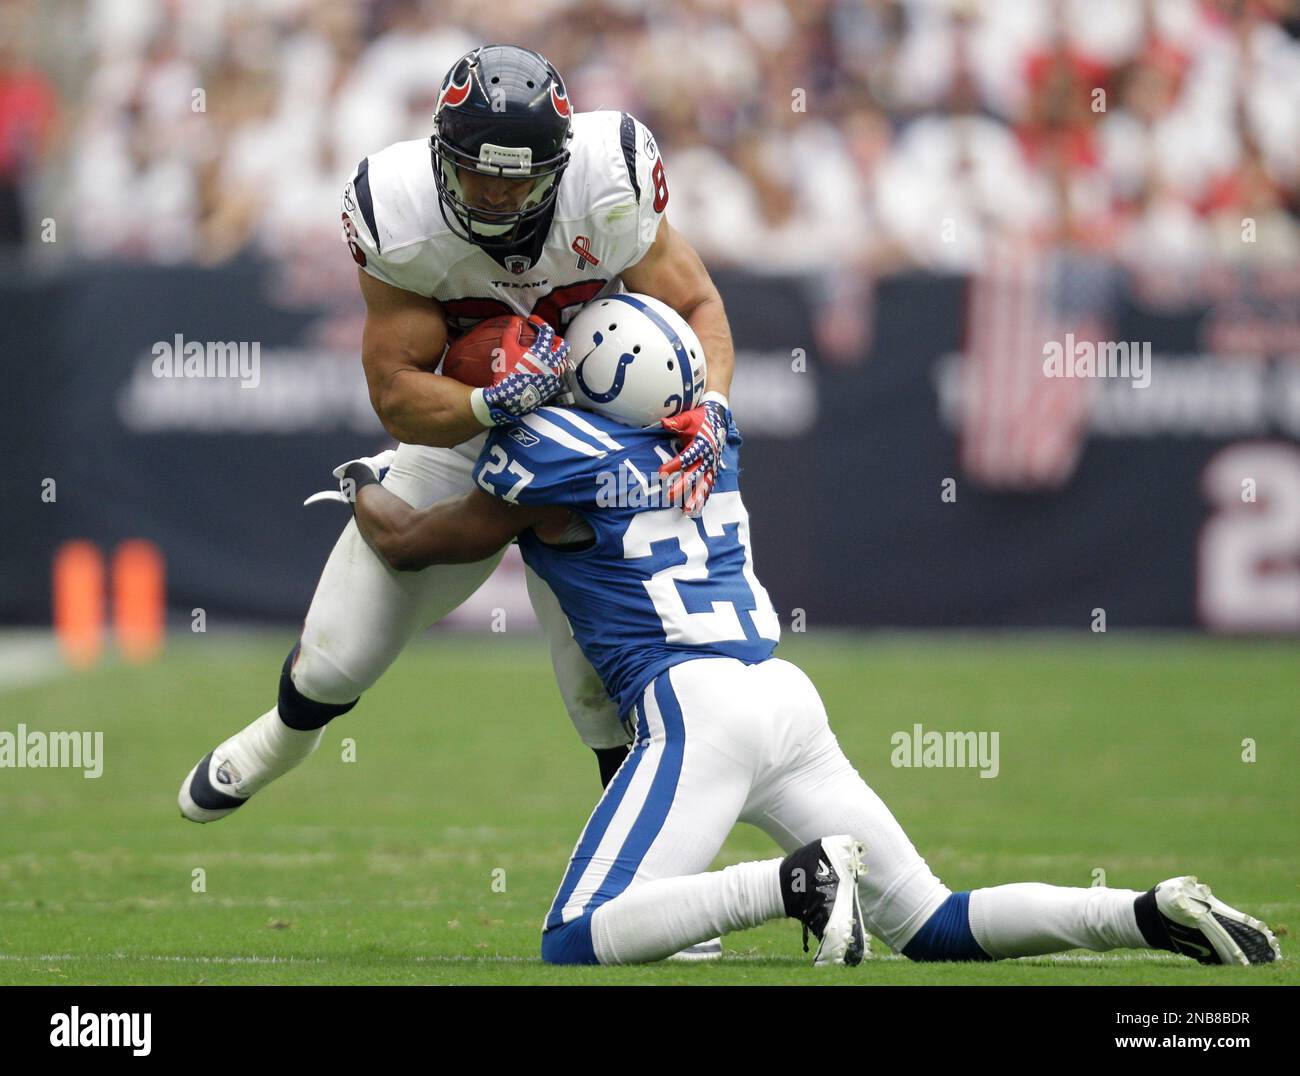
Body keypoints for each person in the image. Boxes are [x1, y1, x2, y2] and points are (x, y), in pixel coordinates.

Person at [337, 294, 1280, 967]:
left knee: (575, 937)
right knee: (935, 924)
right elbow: (670, 406)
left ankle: (789, 883)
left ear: (597, 374)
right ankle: (1145, 915)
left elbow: (418, 544)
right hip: (783, 696)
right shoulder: (715, 432)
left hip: (695, 707)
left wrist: (366, 482)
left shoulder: (552, 456)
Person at [178, 45, 736, 836]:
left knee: (605, 680)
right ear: (440, 154)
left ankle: (650, 870)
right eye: (478, 172)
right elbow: (397, 392)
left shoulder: (609, 182)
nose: (497, 194)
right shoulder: (398, 212)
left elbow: (697, 303)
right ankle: (282, 739)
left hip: (603, 427)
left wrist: (711, 406)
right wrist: (489, 403)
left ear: (561, 165)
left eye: (519, 178)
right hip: (477, 418)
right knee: (339, 655)